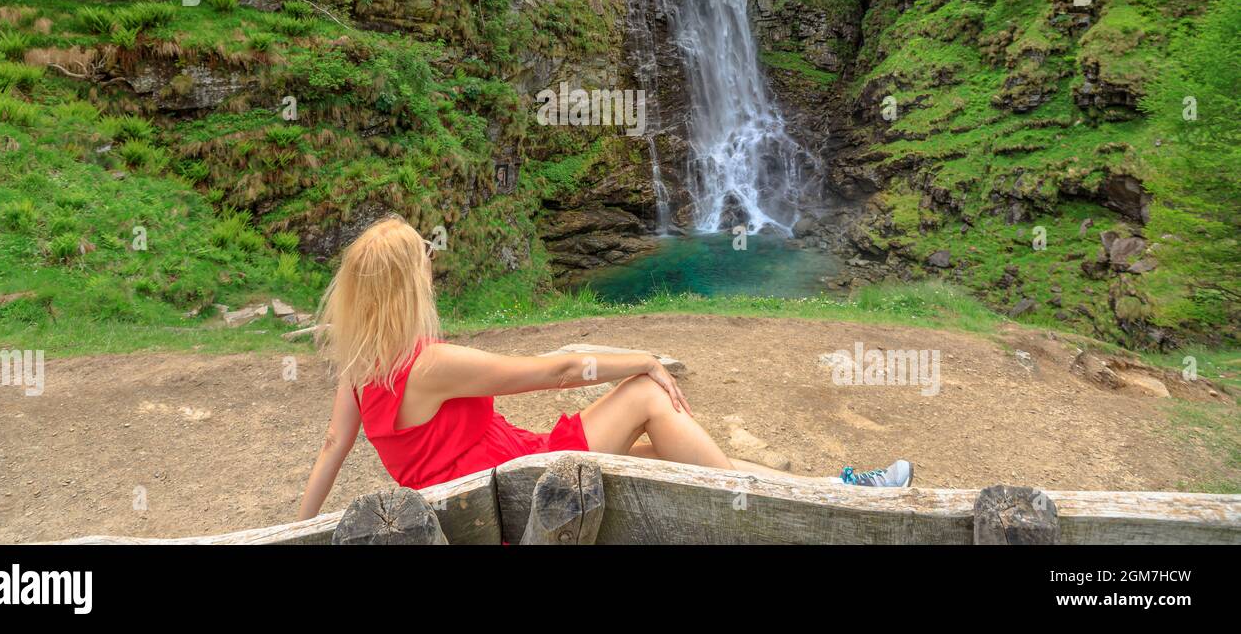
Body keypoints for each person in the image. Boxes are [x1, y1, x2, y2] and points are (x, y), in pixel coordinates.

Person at [298, 215, 912, 520]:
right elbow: (561, 369)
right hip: (518, 484)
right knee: (646, 393)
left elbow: (332, 445)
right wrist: (645, 357)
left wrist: (298, 531)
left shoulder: (358, 366)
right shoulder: (431, 365)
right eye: (424, 264)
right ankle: (766, 513)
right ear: (411, 287)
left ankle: (837, 492)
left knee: (664, 459)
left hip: (487, 494)